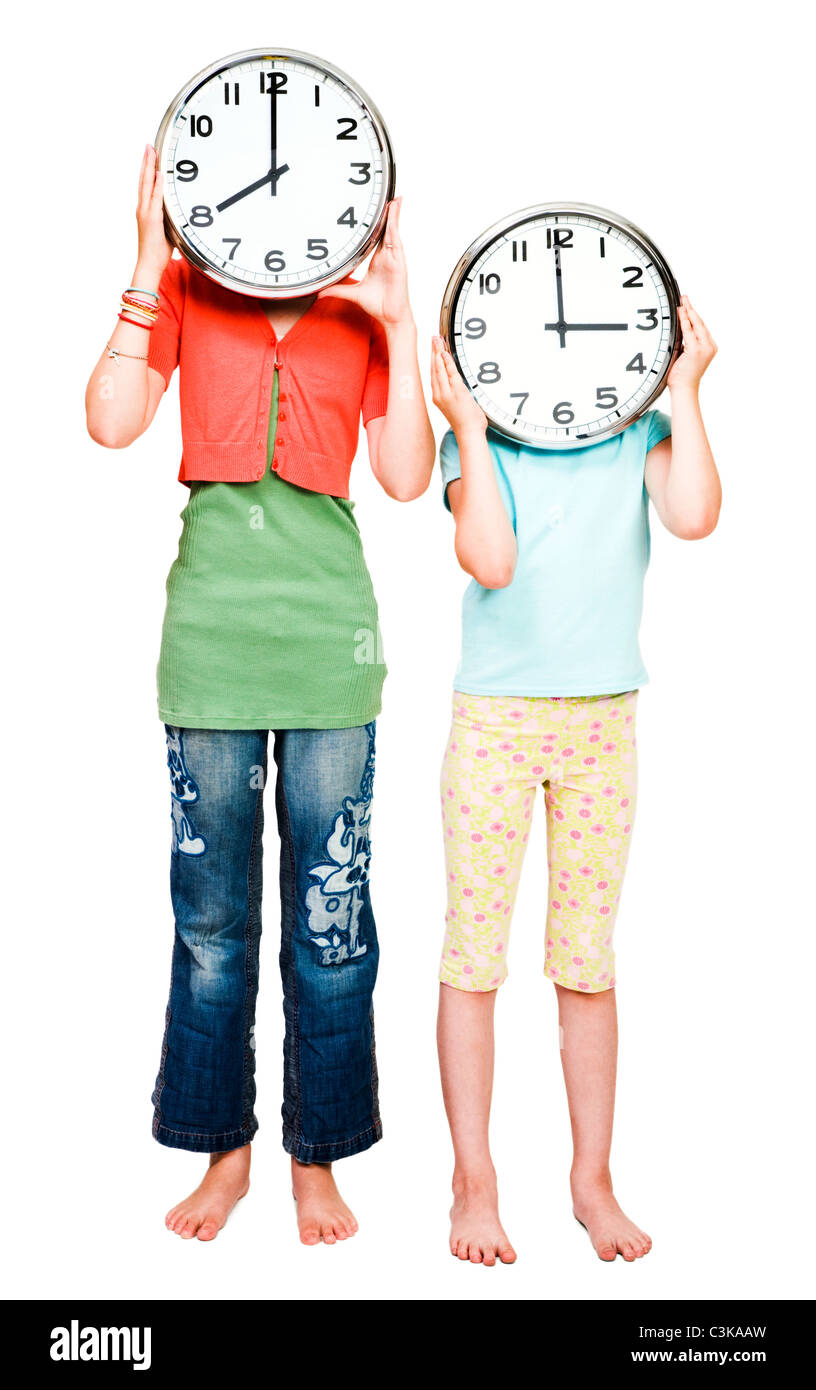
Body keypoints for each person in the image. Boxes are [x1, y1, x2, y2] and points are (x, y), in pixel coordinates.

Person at [85, 145, 434, 1245]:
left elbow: (409, 475)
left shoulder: (356, 316)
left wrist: (399, 316)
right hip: (212, 648)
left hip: (332, 647)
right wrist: (147, 261)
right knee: (213, 925)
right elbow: (109, 418)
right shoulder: (188, 288)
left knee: (330, 923)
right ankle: (224, 1150)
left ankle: (316, 1161)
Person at [430, 298, 719, 1264]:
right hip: (497, 718)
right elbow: (492, 562)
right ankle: (476, 1181)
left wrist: (685, 390)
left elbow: (696, 515)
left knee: (586, 962)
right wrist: (467, 427)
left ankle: (591, 1180)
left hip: (604, 718)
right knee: (475, 955)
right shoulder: (478, 439)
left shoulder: (640, 425)